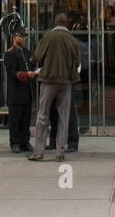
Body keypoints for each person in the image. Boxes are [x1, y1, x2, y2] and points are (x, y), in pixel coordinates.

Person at [29, 13, 79, 161]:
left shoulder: (48, 37)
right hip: (65, 83)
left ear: (55, 22)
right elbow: (76, 62)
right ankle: (60, 152)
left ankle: (39, 151)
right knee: (64, 117)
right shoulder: (72, 40)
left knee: (42, 115)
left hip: (48, 80)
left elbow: (38, 55)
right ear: (67, 24)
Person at [3, 27, 37, 153]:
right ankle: (15, 143)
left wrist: (34, 73)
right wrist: (27, 74)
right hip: (16, 93)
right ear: (14, 36)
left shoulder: (27, 52)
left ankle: (25, 142)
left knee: (25, 120)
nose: (23, 38)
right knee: (15, 120)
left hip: (27, 92)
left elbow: (32, 65)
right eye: (21, 36)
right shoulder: (10, 53)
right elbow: (12, 73)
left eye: (24, 36)